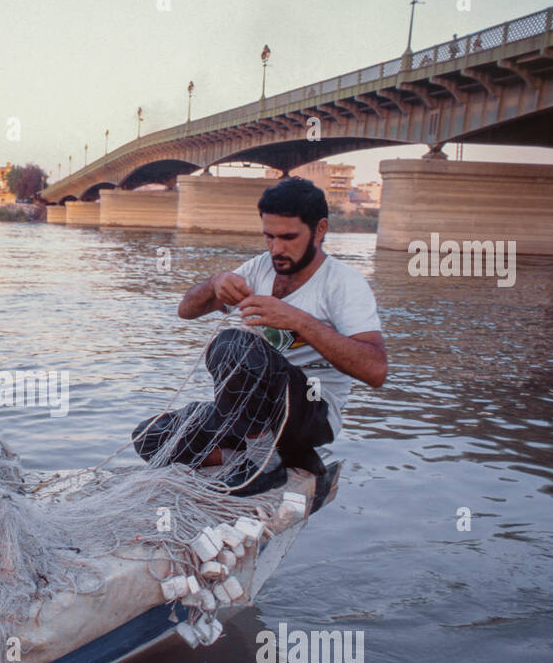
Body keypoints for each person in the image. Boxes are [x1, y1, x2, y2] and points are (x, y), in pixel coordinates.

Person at [132, 177, 387, 491]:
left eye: (288, 237)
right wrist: (215, 283)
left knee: (232, 344)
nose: (276, 249)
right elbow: (186, 310)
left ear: (320, 230)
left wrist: (299, 321)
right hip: (250, 416)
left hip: (310, 412)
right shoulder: (260, 268)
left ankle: (264, 463)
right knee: (151, 436)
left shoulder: (343, 284)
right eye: (269, 236)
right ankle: (268, 455)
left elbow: (375, 370)